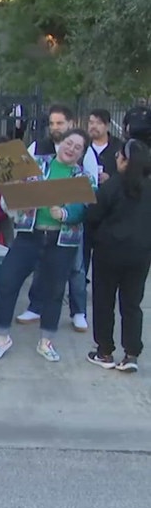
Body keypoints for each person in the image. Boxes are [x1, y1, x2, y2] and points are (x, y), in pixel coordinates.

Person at [0, 129, 93, 362]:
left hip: (61, 241)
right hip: (29, 235)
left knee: (54, 291)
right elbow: (12, 196)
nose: (71, 149)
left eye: (78, 147)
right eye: (69, 143)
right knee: (6, 281)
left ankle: (46, 341)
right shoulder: (35, 165)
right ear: (60, 143)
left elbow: (83, 208)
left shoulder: (82, 177)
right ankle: (1, 337)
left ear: (82, 153)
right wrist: (14, 190)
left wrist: (64, 213)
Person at [16, 105, 87, 332]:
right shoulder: (37, 147)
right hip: (41, 220)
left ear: (70, 124)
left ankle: (78, 311)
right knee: (40, 265)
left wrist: (70, 209)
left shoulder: (83, 150)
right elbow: (22, 175)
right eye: (52, 123)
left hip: (70, 224)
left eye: (60, 123)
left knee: (75, 268)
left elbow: (90, 185)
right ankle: (35, 307)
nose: (55, 127)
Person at [86, 139, 151, 372]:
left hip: (109, 252)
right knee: (132, 304)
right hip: (140, 255)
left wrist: (97, 238)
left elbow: (93, 216)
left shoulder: (112, 186)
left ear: (124, 160)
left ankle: (105, 352)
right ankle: (131, 354)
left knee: (104, 301)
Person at [85, 109, 122, 183]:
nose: (94, 126)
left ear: (107, 126)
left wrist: (110, 178)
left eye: (99, 123)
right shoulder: (82, 146)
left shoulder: (119, 146)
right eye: (91, 123)